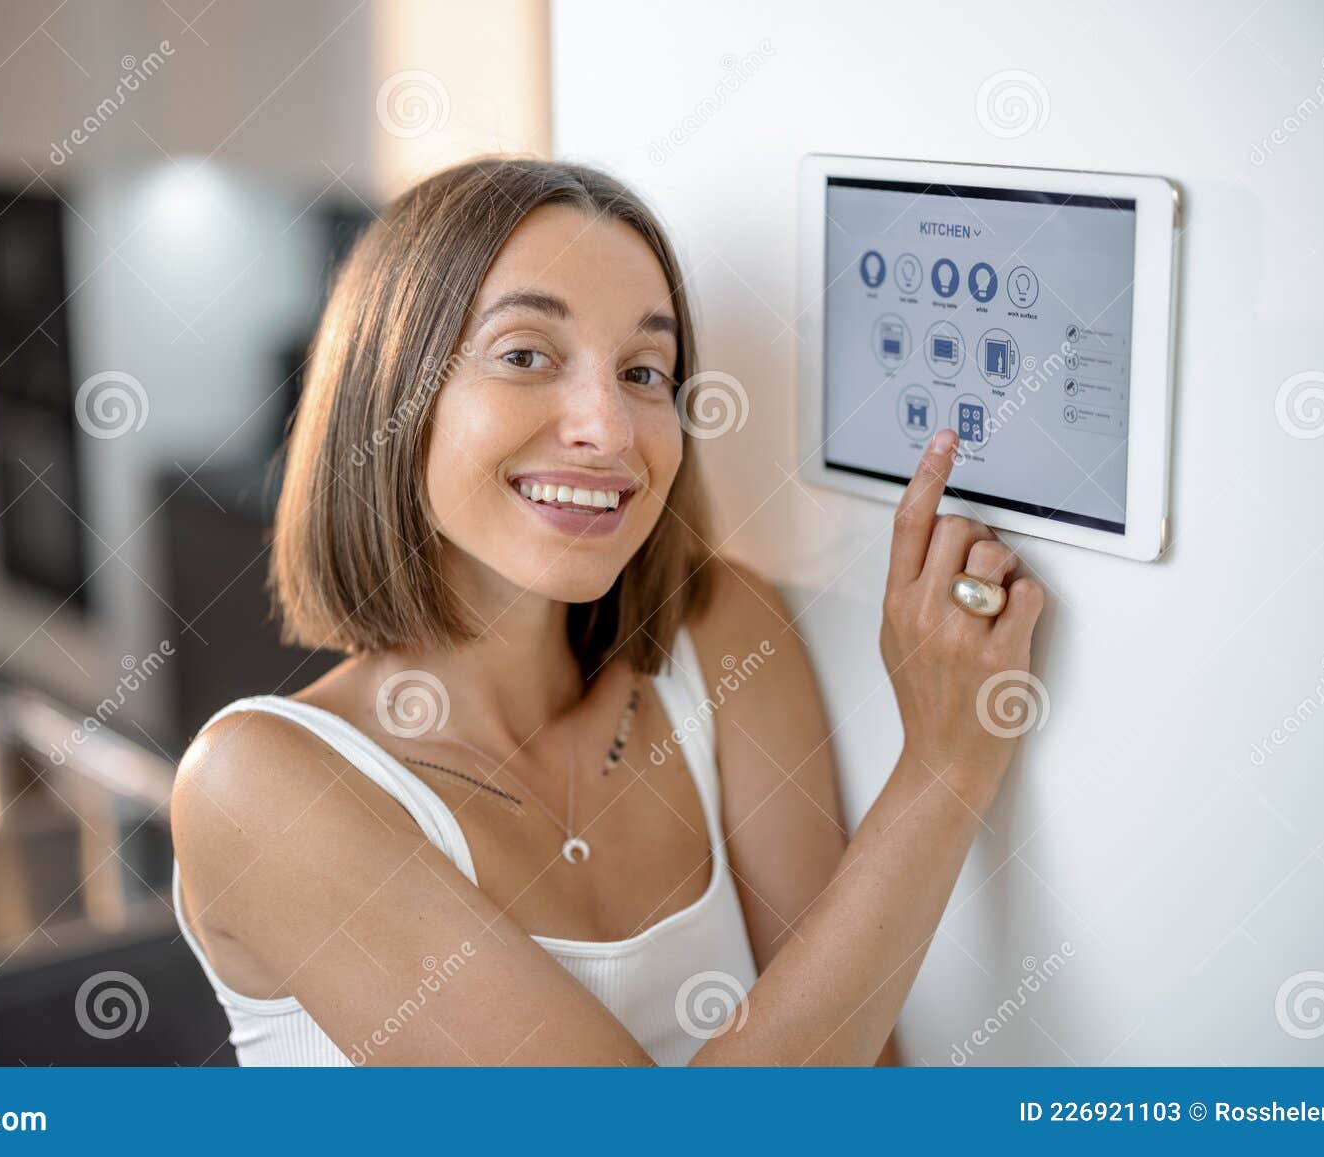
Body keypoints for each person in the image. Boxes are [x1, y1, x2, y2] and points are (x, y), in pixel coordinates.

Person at [169, 156, 1045, 1066]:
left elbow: (860, 1068)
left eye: (644, 371)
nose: (612, 427)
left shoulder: (722, 629)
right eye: (524, 355)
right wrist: (944, 767)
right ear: (392, 395)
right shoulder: (253, 784)